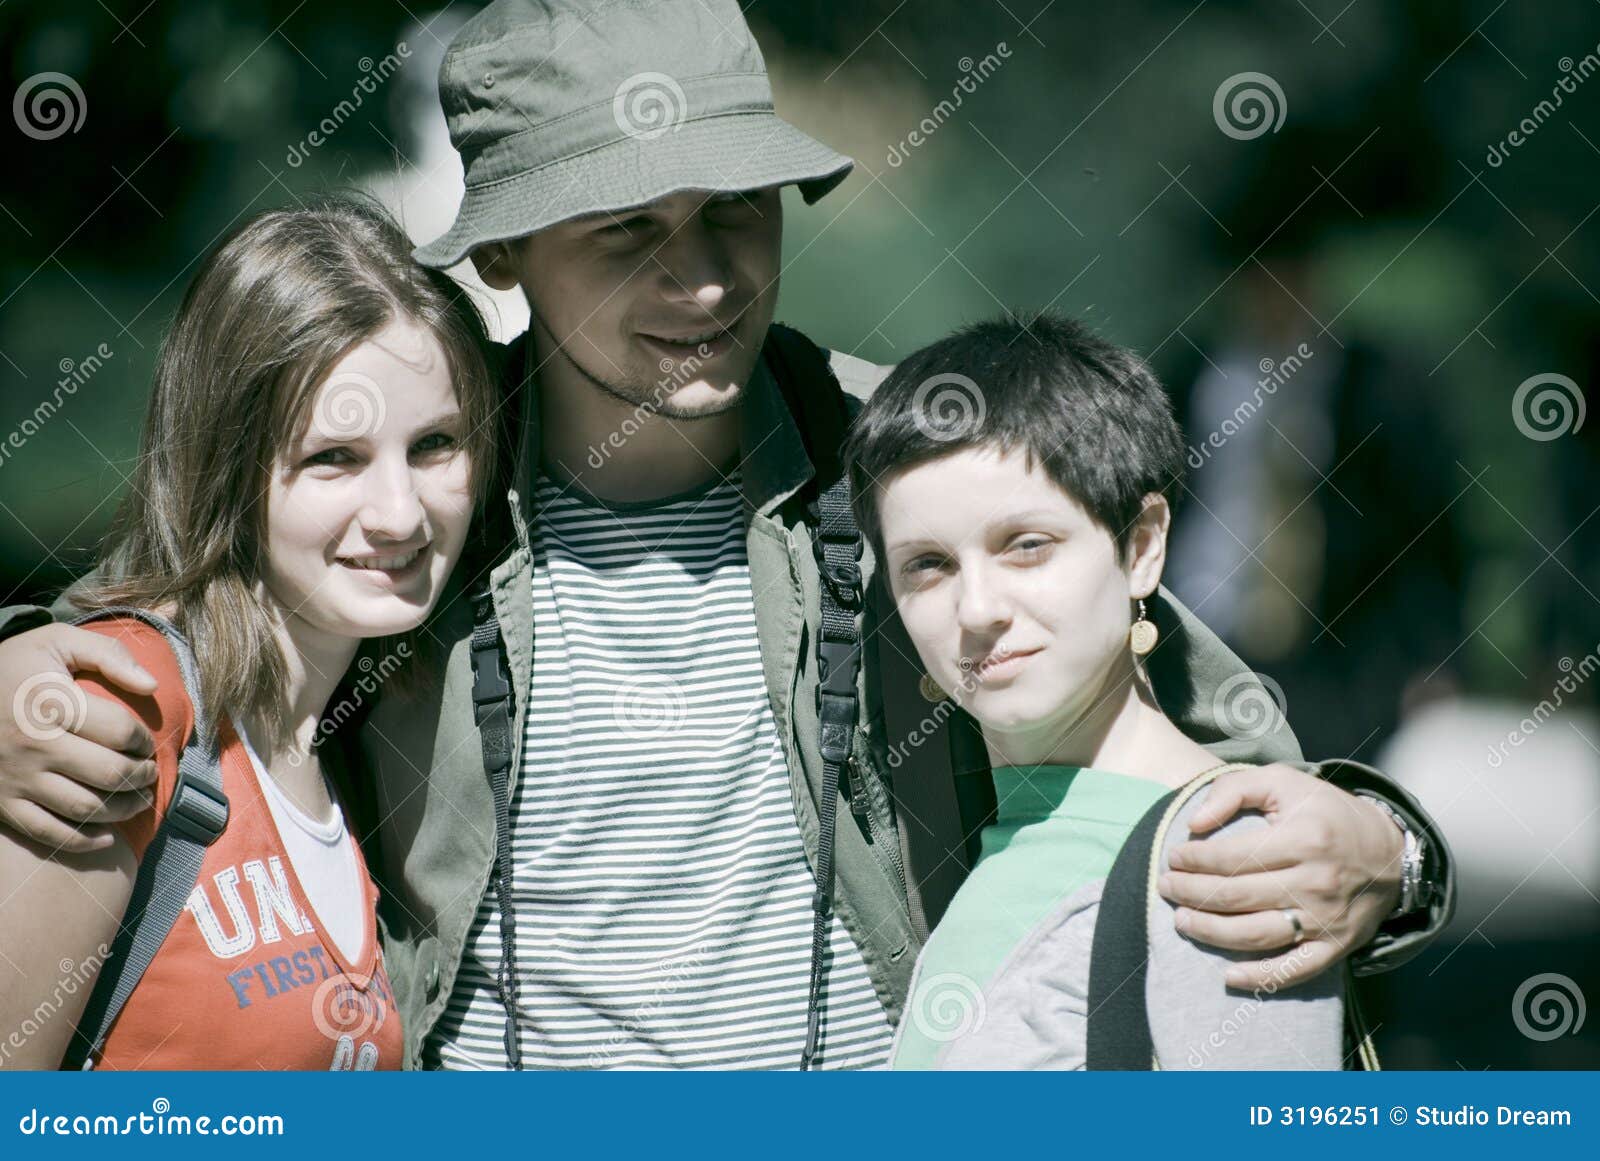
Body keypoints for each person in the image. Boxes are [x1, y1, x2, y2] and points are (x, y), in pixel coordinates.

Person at [0, 0, 1452, 1071]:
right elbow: (163, 614)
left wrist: (1389, 846)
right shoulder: (413, 497)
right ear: (502, 250)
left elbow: (1207, 717)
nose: (699, 279)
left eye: (735, 214)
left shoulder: (910, 461)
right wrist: (21, 673)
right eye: (627, 231)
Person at [0, 200, 497, 1069]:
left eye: (434, 444)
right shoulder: (120, 713)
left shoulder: (362, 744)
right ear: (228, 469)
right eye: (333, 457)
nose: (400, 512)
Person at [846, 313, 1348, 1069]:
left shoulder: (1227, 861)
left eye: (1026, 546)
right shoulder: (991, 842)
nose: (977, 608)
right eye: (929, 564)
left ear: (1142, 547)